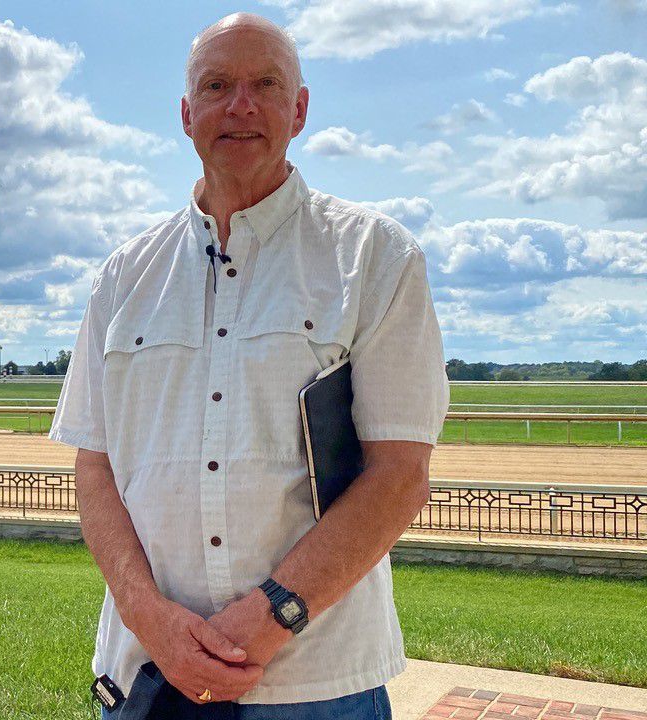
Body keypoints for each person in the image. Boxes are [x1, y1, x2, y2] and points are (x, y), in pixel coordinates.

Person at [48, 12, 450, 720]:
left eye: (265, 84)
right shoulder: (123, 277)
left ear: (299, 109)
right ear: (185, 114)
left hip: (317, 684)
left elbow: (400, 473)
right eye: (216, 85)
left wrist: (275, 614)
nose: (241, 105)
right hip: (146, 672)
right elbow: (95, 465)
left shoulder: (375, 258)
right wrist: (150, 619)